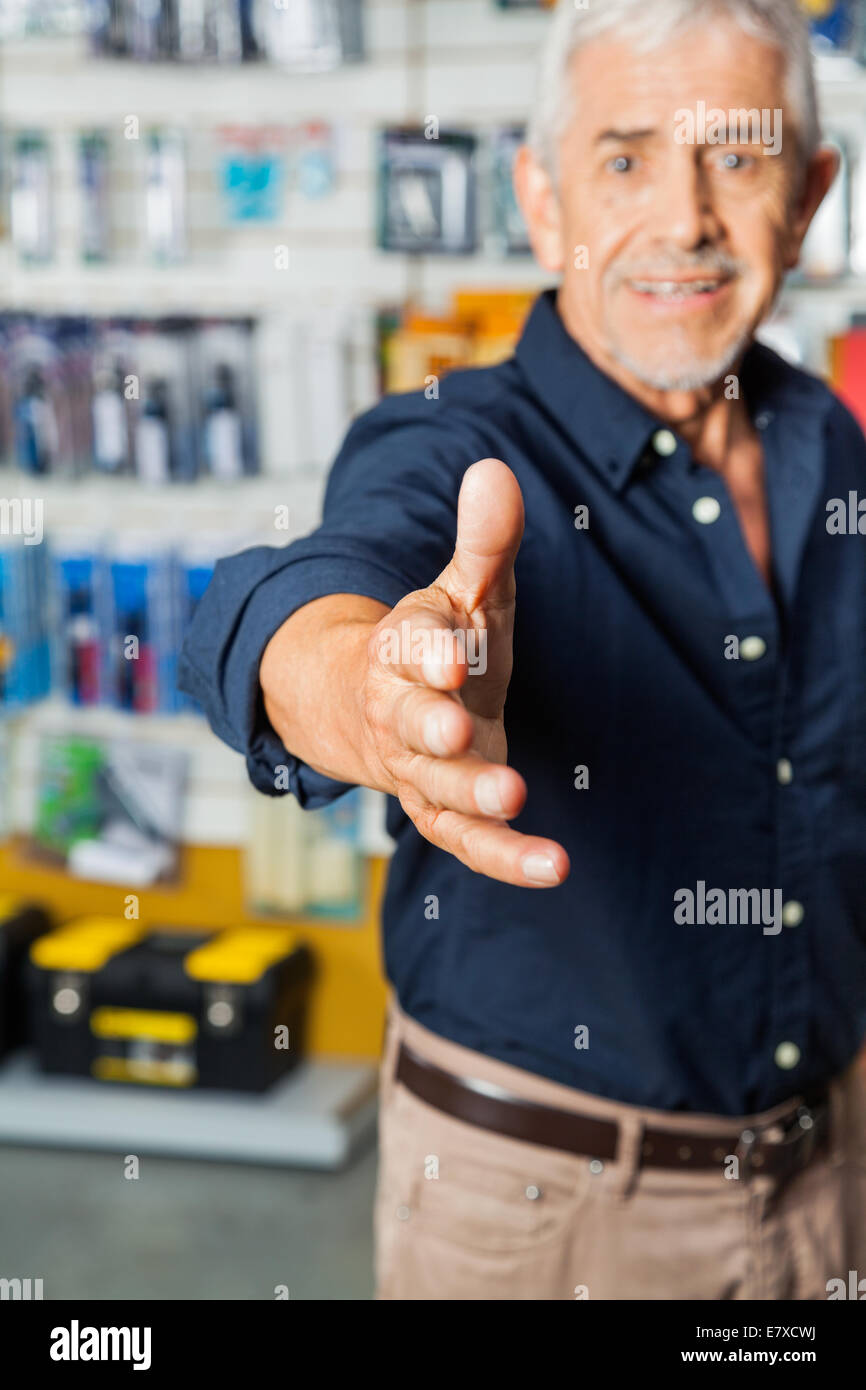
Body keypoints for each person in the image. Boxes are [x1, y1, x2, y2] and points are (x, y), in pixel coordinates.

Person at [180, 0, 866, 1300]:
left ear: (810, 191)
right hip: (541, 1209)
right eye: (623, 159)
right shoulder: (453, 443)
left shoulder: (823, 438)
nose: (682, 218)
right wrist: (366, 693)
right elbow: (303, 599)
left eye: (736, 154)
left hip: (824, 1178)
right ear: (540, 199)